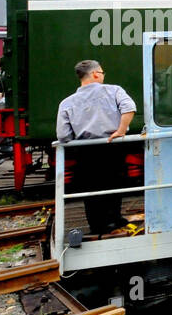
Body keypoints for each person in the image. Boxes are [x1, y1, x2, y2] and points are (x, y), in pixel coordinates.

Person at [56, 60, 137, 235]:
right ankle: (115, 218)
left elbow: (62, 135)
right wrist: (121, 130)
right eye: (102, 72)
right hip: (112, 146)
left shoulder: (66, 103)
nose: (103, 75)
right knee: (115, 183)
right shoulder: (114, 90)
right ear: (95, 74)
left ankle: (98, 226)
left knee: (91, 189)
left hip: (86, 150)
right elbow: (129, 107)